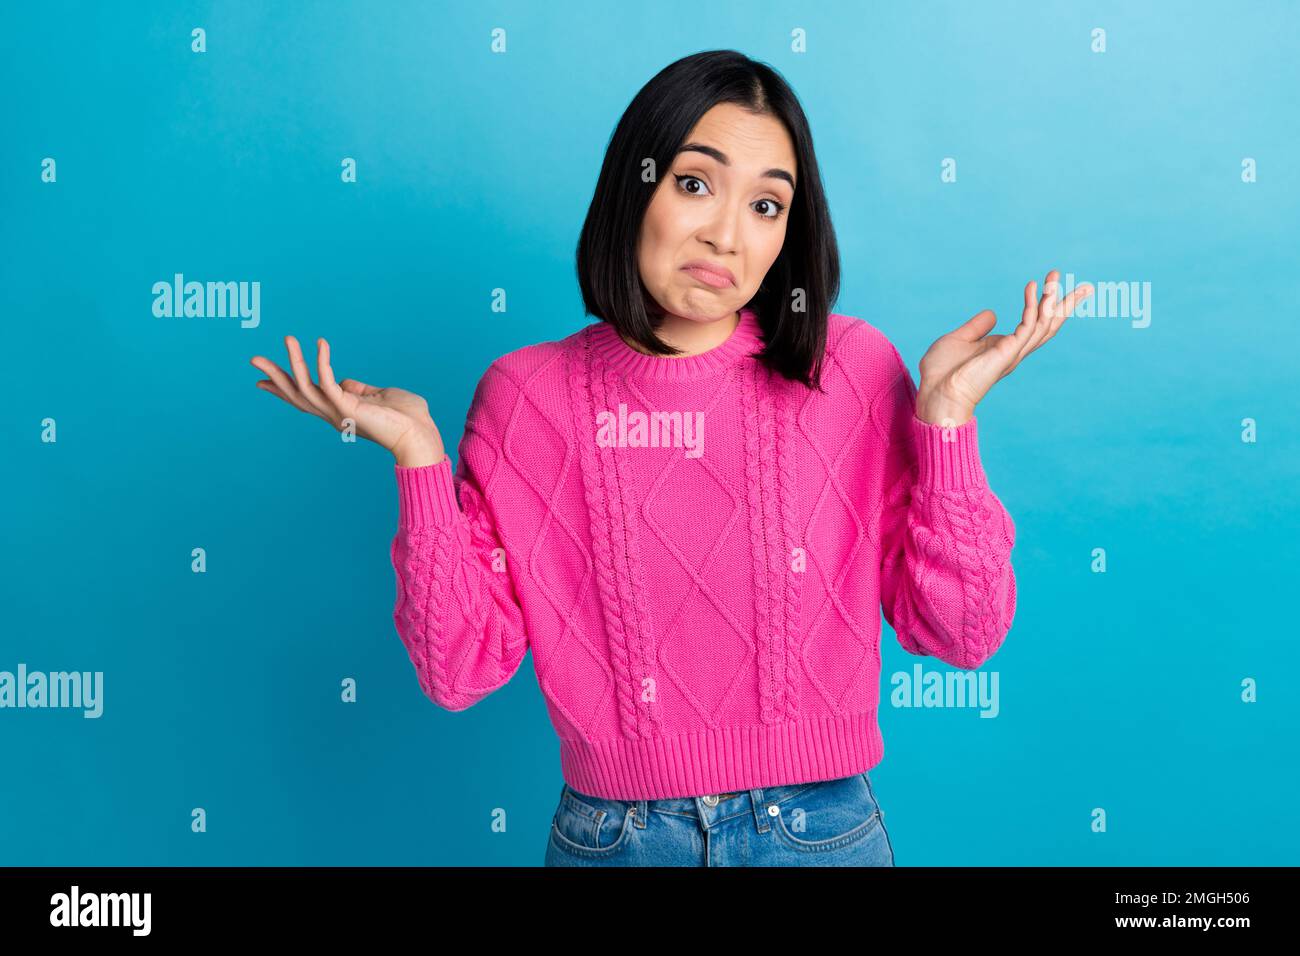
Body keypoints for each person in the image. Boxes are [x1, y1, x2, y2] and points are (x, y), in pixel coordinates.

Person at [249, 49, 1092, 867]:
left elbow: (964, 634)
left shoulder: (851, 370)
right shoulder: (528, 397)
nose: (727, 235)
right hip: (612, 839)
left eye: (768, 205)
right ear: (635, 186)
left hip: (819, 832)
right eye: (696, 184)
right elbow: (458, 668)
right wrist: (420, 462)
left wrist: (945, 421)